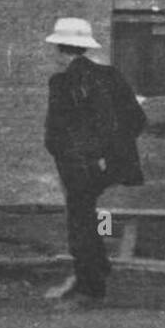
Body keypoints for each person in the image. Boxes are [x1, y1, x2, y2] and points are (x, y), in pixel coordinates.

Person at [42, 17, 147, 306]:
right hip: (107, 163)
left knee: (80, 222)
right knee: (85, 217)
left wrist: (77, 157)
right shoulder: (111, 75)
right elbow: (137, 120)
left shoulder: (61, 82)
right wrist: (109, 156)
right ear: (84, 48)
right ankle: (95, 269)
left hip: (77, 164)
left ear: (62, 50)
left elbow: (55, 131)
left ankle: (91, 288)